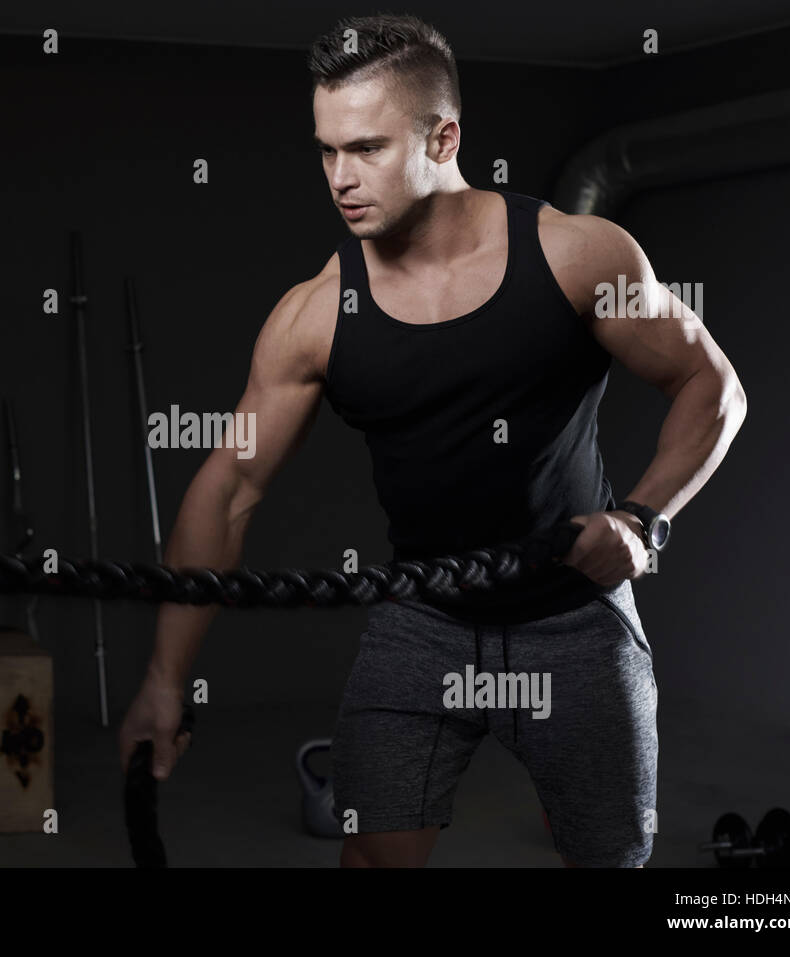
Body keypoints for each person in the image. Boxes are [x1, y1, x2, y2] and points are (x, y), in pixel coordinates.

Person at [117, 13, 747, 867]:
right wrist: (164, 679)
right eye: (327, 150)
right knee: (371, 857)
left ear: (444, 137)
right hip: (424, 620)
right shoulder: (314, 317)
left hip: (574, 618)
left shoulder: (576, 257)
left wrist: (641, 518)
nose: (340, 178)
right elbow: (229, 489)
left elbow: (713, 384)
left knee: (609, 858)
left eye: (367, 149)